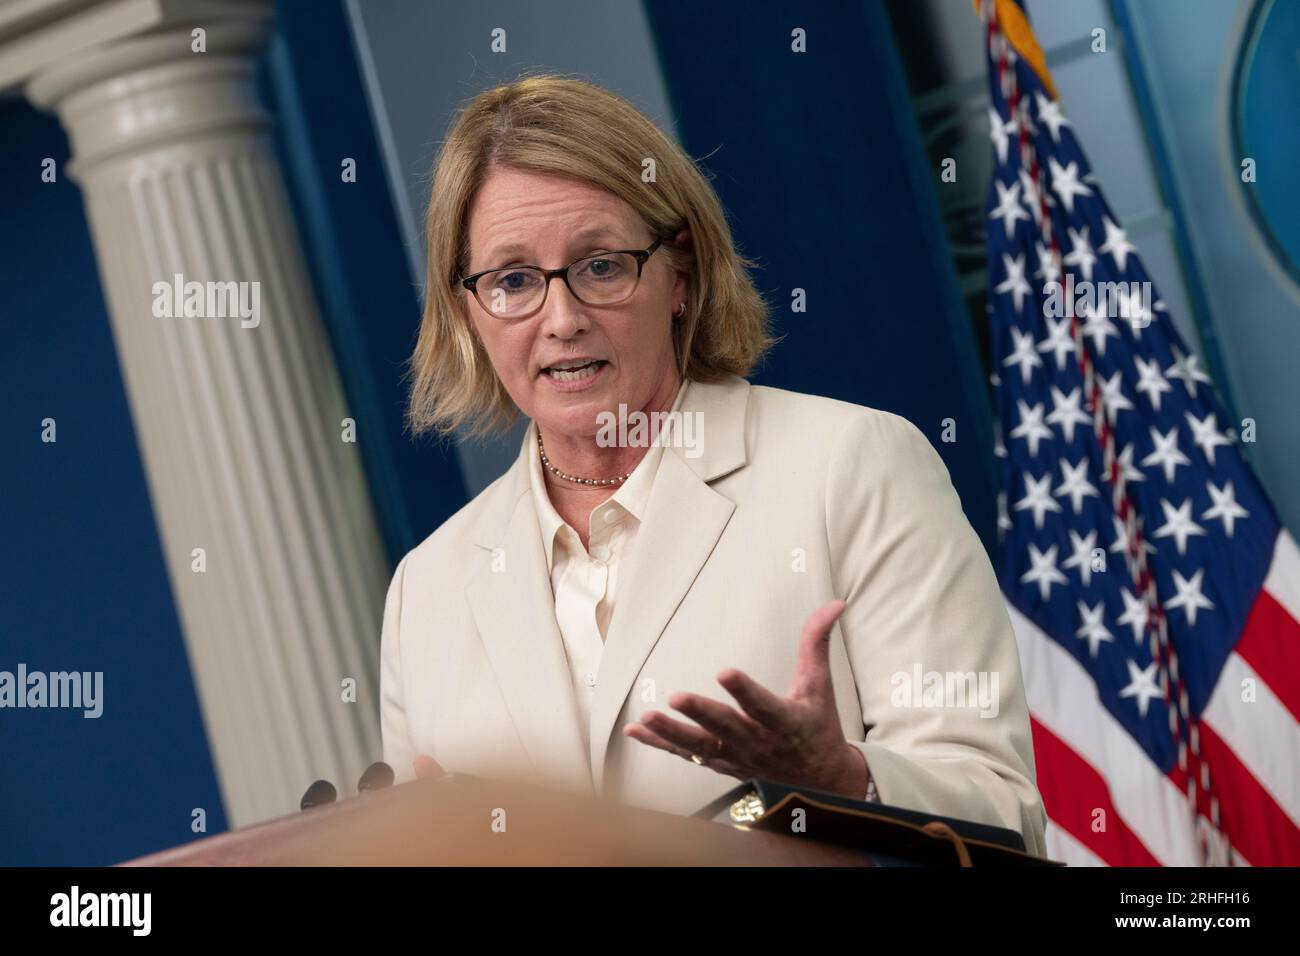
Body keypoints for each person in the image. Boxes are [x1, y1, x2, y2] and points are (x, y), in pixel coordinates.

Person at [380, 73, 1047, 857]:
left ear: (680, 274)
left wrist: (844, 781)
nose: (561, 321)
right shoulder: (424, 591)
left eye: (601, 265)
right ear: (469, 310)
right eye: (514, 281)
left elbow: (1006, 828)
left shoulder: (852, 466)